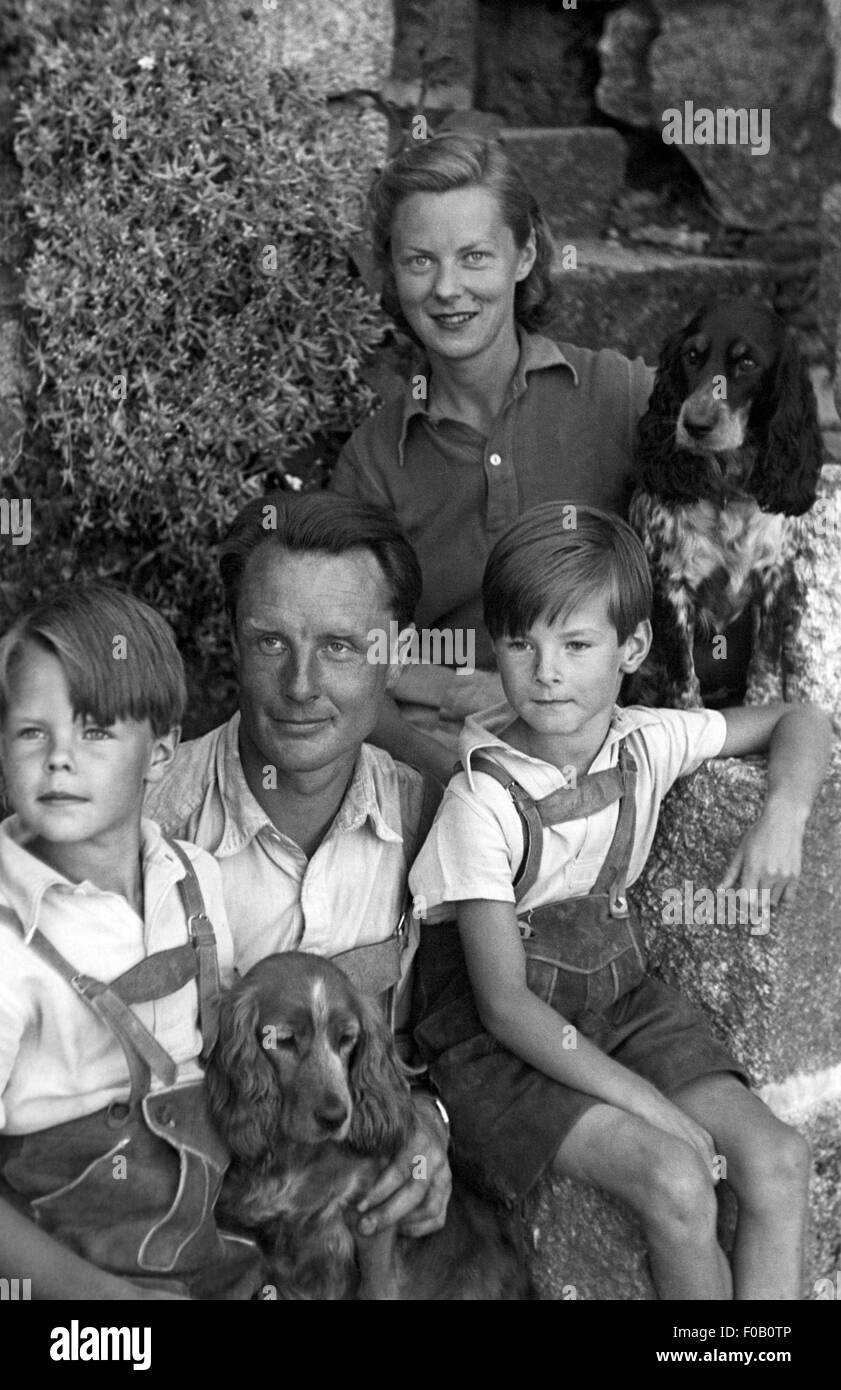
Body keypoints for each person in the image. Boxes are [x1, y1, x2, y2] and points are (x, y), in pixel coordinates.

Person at [409, 503, 832, 1300]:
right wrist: (651, 1107)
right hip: (499, 1045)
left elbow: (799, 716)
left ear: (631, 647)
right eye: (519, 645)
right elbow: (501, 1005)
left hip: (616, 1003)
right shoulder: (483, 800)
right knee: (677, 1178)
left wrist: (785, 812)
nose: (546, 672)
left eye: (575, 645)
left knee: (777, 1159)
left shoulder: (645, 739)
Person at [145, 491, 451, 1242]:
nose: (302, 685)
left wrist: (432, 1123)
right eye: (272, 642)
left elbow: (464, 1031)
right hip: (193, 1235)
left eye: (340, 647)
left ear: (396, 654)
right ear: (233, 641)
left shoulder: (436, 823)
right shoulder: (148, 825)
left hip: (368, 1227)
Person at [331, 130, 655, 781]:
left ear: (525, 254)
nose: (447, 288)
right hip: (442, 751)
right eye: (419, 261)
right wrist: (462, 770)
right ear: (392, 272)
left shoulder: (617, 395)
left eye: (474, 256)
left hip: (598, 745)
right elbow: (347, 659)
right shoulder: (373, 459)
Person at [0, 584, 263, 1300]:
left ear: (161, 752)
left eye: (94, 731)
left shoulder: (194, 881)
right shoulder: (7, 947)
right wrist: (110, 1305)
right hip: (69, 1271)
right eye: (32, 732)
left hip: (207, 1240)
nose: (58, 759)